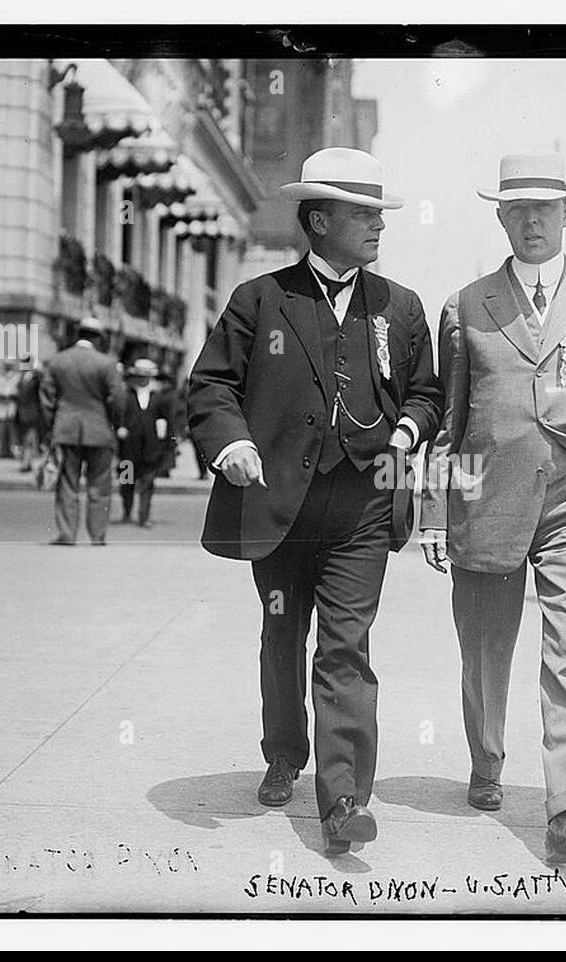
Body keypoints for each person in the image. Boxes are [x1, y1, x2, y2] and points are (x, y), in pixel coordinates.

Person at [187, 147, 443, 855]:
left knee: (345, 647)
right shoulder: (260, 299)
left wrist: (407, 430)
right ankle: (283, 753)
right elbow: (211, 385)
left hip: (362, 507)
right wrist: (233, 443)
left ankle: (345, 802)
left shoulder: (401, 306)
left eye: (380, 214)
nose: (379, 226)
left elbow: (427, 393)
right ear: (319, 220)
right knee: (282, 634)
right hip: (278, 506)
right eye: (364, 215)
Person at [421, 153, 566, 864]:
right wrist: (435, 511)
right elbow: (450, 420)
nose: (531, 222)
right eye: (517, 209)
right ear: (500, 217)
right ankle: (487, 761)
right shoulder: (466, 305)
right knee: (484, 651)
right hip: (487, 501)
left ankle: (564, 804)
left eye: (544, 209)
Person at [39, 316, 126, 546]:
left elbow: (46, 398)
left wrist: (53, 425)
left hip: (65, 429)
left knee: (67, 485)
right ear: (98, 338)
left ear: (79, 334)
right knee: (100, 485)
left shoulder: (58, 361)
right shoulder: (106, 363)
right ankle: (97, 536)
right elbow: (118, 399)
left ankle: (67, 534)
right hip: (99, 430)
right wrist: (114, 424)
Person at [116, 358, 171, 527]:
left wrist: (165, 441)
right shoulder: (126, 396)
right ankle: (126, 511)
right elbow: (118, 416)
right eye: (139, 376)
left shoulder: (159, 398)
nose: (142, 380)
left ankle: (144, 516)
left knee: (147, 483)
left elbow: (166, 420)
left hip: (151, 449)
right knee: (126, 482)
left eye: (145, 376)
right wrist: (120, 428)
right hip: (128, 449)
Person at [15, 363, 46, 473]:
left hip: (32, 413)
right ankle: (26, 461)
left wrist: (39, 372)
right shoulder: (22, 378)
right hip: (22, 413)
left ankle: (27, 462)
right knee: (25, 439)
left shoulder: (36, 379)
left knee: (29, 439)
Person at [0, 361, 19, 459]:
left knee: (14, 433)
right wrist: (8, 393)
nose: (8, 367)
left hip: (12, 410)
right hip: (0, 410)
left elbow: (18, 391)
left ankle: (16, 452)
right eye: (7, 365)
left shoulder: (17, 377)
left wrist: (9, 393)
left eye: (10, 365)